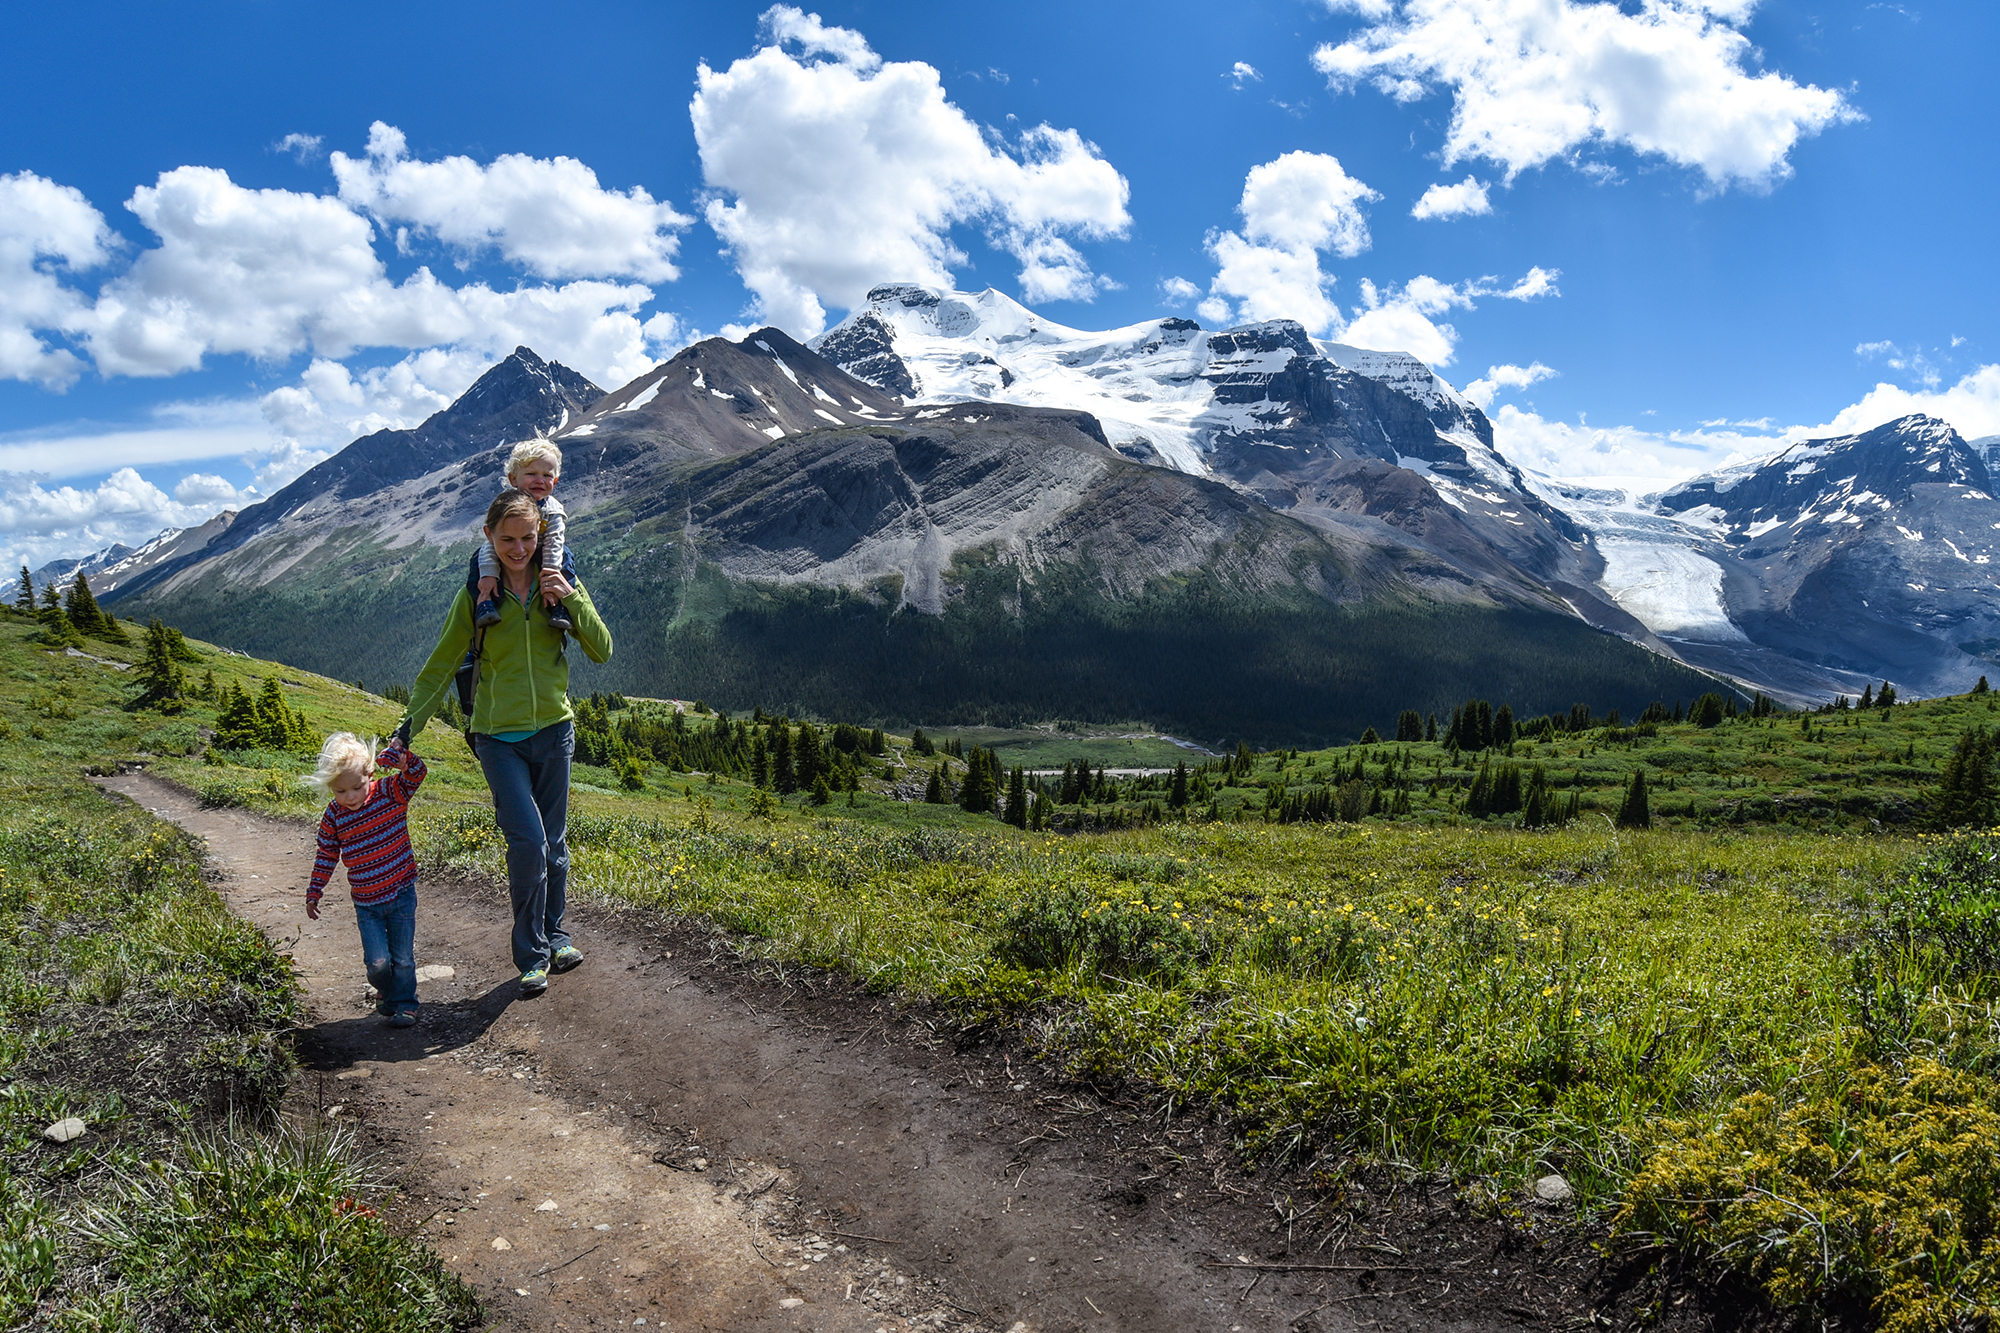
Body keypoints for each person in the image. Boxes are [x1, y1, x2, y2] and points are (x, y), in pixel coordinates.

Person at [401, 488, 613, 995]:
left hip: (555, 731)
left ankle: (557, 934)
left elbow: (602, 651)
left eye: (527, 538)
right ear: (489, 538)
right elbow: (441, 665)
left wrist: (572, 594)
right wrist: (408, 729)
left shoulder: (558, 586)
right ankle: (531, 953)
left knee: (555, 845)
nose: (518, 549)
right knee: (529, 843)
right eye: (507, 539)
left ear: (541, 535)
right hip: (497, 738)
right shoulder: (477, 598)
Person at [304, 732, 428, 1027]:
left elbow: (417, 774)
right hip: (367, 904)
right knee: (377, 964)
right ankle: (386, 991)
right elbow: (327, 853)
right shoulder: (334, 815)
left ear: (369, 774)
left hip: (400, 893)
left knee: (403, 958)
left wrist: (402, 759)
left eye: (357, 787)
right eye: (340, 791)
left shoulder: (389, 792)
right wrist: (314, 891)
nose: (350, 797)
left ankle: (406, 1005)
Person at [475, 439, 575, 631]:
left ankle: (560, 606)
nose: (540, 480)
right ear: (513, 479)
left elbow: (554, 541)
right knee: (477, 563)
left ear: (555, 481)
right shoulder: (506, 506)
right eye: (531, 474)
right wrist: (488, 573)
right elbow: (492, 543)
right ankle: (483, 602)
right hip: (515, 553)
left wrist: (551, 574)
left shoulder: (553, 510)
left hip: (543, 551)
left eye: (547, 475)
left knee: (566, 555)